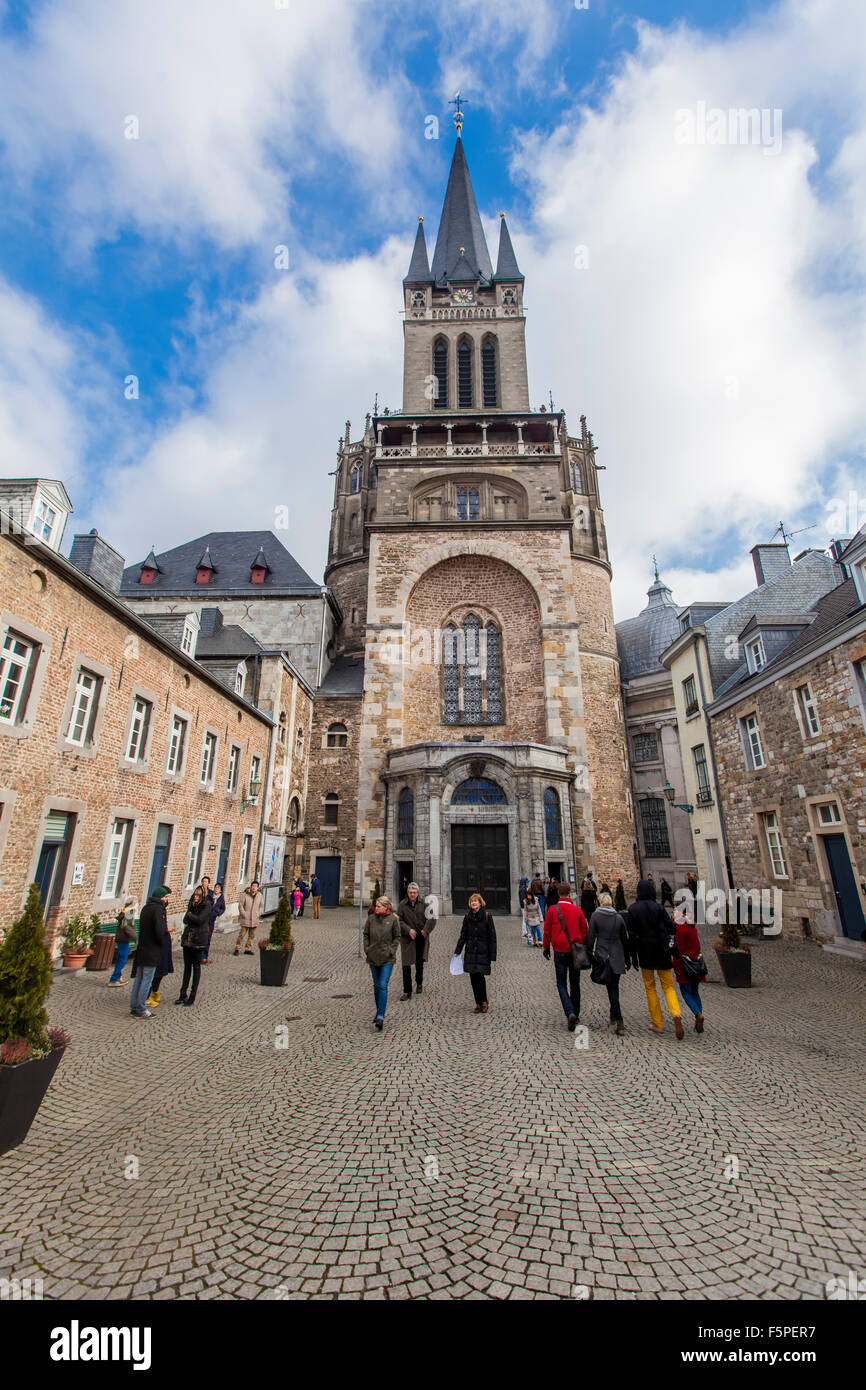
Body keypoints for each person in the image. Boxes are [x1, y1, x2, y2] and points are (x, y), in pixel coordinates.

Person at [627, 879, 684, 1038]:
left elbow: (631, 935)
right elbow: (671, 928)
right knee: (668, 986)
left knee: (650, 987)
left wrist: (632, 956)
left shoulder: (633, 909)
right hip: (662, 950)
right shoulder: (659, 908)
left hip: (645, 951)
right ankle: (675, 1013)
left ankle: (658, 1023)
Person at [542, 882, 588, 1031]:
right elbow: (585, 932)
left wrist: (545, 947)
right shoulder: (577, 910)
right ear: (569, 894)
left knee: (561, 983)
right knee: (575, 983)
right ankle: (575, 1012)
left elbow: (547, 930)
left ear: (558, 894)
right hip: (575, 952)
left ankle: (569, 1012)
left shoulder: (552, 910)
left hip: (560, 951)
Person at [587, 890, 630, 1035]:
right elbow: (625, 940)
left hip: (603, 955)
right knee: (614, 988)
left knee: (611, 989)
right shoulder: (618, 918)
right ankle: (615, 1015)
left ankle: (619, 1021)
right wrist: (628, 959)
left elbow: (591, 938)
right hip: (617, 957)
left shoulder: (595, 916)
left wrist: (590, 955)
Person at [130, 886, 170, 1018]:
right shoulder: (158, 910)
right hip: (152, 949)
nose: (166, 900)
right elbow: (159, 931)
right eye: (165, 897)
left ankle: (134, 1006)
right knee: (147, 980)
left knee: (139, 979)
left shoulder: (146, 908)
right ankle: (141, 1008)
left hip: (142, 948)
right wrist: (162, 941)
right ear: (160, 897)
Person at [454, 894, 497, 1013]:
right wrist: (457, 951)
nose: (474, 903)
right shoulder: (468, 917)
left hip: (483, 952)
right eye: (472, 901)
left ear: (480, 903)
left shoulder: (487, 916)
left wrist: (492, 954)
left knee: (480, 977)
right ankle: (478, 1002)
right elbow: (463, 935)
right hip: (471, 952)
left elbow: (492, 937)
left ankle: (483, 1001)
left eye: (476, 901)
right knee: (473, 978)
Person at [363, 895, 401, 1031]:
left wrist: (391, 950)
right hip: (373, 956)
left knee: (383, 985)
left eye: (378, 906)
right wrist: (367, 949)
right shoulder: (371, 919)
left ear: (386, 907)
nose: (375, 908)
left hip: (387, 958)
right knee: (377, 984)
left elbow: (397, 937)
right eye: (376, 905)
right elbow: (365, 934)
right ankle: (379, 1009)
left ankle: (380, 1015)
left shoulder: (393, 920)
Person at [672, 901, 707, 1032]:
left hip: (685, 965)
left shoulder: (681, 928)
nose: (674, 913)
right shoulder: (692, 926)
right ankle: (699, 1017)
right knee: (695, 991)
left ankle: (698, 1014)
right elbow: (697, 946)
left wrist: (675, 964)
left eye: (676, 911)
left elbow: (678, 950)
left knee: (686, 992)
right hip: (696, 963)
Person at [398, 882, 434, 998]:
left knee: (419, 962)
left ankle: (419, 982)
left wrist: (425, 930)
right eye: (410, 892)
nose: (412, 894)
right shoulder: (402, 905)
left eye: (414, 893)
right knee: (406, 964)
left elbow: (432, 918)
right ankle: (407, 991)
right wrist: (408, 930)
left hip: (420, 937)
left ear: (418, 893)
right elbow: (399, 920)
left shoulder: (425, 904)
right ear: (407, 893)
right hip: (408, 938)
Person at [175, 887, 210, 1007]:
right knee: (187, 967)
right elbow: (186, 919)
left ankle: (192, 995)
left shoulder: (206, 906)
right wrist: (190, 915)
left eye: (198, 895)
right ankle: (182, 993)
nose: (195, 897)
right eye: (195, 895)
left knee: (196, 967)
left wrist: (190, 916)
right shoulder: (192, 905)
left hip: (198, 940)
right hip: (188, 940)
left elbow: (200, 920)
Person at [107, 896, 138, 986]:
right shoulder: (129, 914)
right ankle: (113, 980)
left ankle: (118, 977)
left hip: (121, 939)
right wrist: (135, 937)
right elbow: (127, 928)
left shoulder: (125, 912)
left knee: (121, 958)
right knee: (123, 960)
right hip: (123, 940)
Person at [147, 910, 175, 1007]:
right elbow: (158, 929)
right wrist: (166, 930)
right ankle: (147, 995)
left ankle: (155, 990)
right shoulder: (156, 910)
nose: (167, 899)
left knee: (162, 969)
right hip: (157, 945)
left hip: (164, 944)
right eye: (165, 897)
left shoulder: (162, 910)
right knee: (153, 971)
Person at [235, 880, 263, 955]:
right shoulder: (245, 895)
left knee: (252, 935)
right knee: (242, 935)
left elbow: (261, 906)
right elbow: (240, 905)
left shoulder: (259, 895)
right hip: (246, 918)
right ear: (251, 887)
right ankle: (237, 948)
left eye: (255, 886)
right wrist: (244, 913)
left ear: (257, 888)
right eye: (253, 886)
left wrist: (258, 913)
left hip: (254, 918)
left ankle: (248, 949)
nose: (254, 888)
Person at [201, 882, 225, 963]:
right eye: (215, 887)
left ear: (221, 890)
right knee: (201, 937)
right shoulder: (209, 896)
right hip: (204, 919)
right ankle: (198, 955)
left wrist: (217, 912)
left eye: (218, 888)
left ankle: (204, 956)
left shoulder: (221, 898)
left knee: (208, 938)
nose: (216, 889)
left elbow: (223, 908)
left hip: (211, 920)